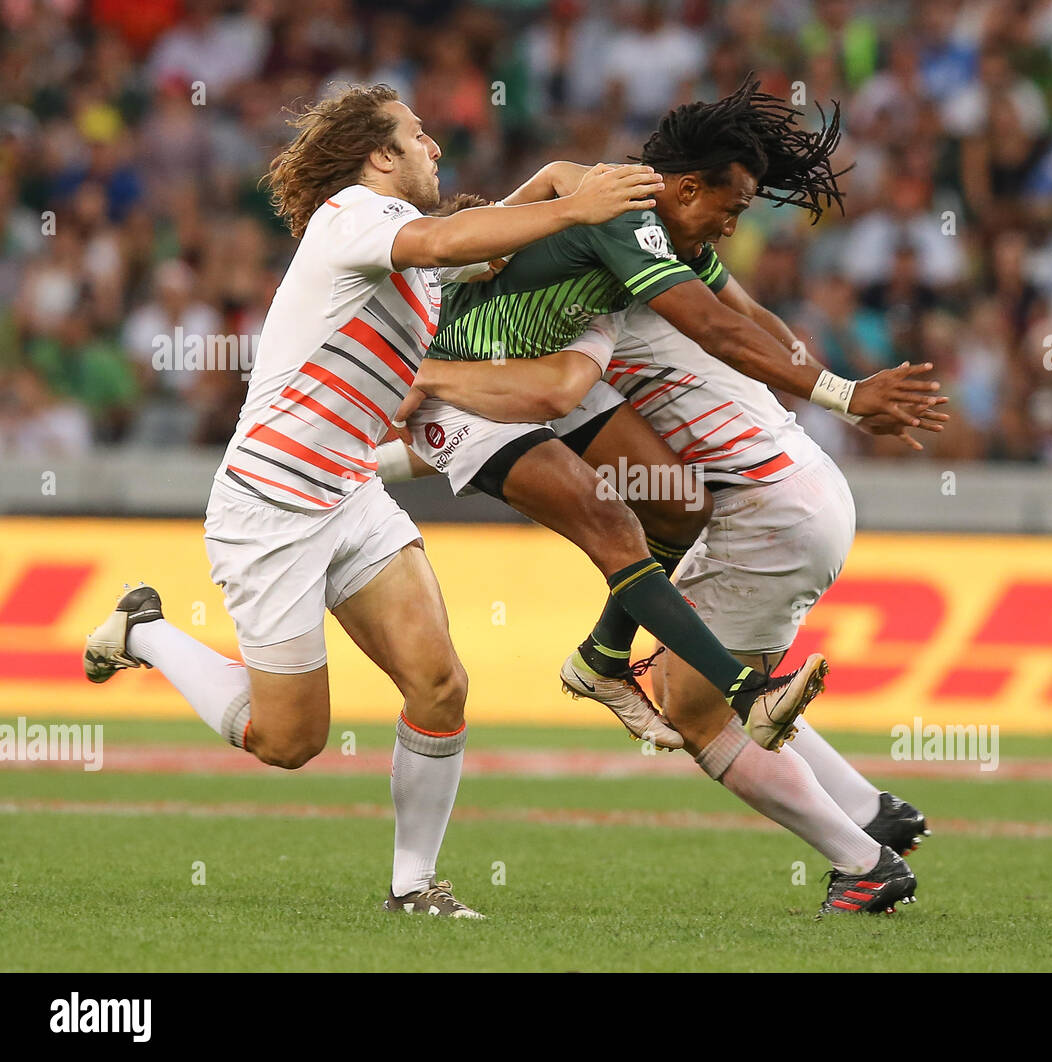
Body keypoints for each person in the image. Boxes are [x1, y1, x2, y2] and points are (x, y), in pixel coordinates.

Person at [82, 83, 665, 918]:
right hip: (271, 506)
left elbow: (488, 230)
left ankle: (413, 886)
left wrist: (576, 180)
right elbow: (455, 234)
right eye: (419, 135)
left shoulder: (414, 257)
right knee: (290, 742)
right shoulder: (351, 217)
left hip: (349, 491)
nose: (436, 147)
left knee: (440, 683)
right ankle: (147, 632)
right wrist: (575, 210)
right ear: (379, 155)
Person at [383, 78, 945, 912]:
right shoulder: (624, 255)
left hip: (768, 509)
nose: (735, 224)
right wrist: (841, 394)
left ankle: (862, 859)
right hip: (800, 497)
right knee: (672, 525)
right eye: (735, 205)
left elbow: (578, 364)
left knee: (694, 704)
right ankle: (866, 809)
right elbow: (732, 318)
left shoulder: (622, 274)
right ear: (688, 187)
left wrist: (844, 392)